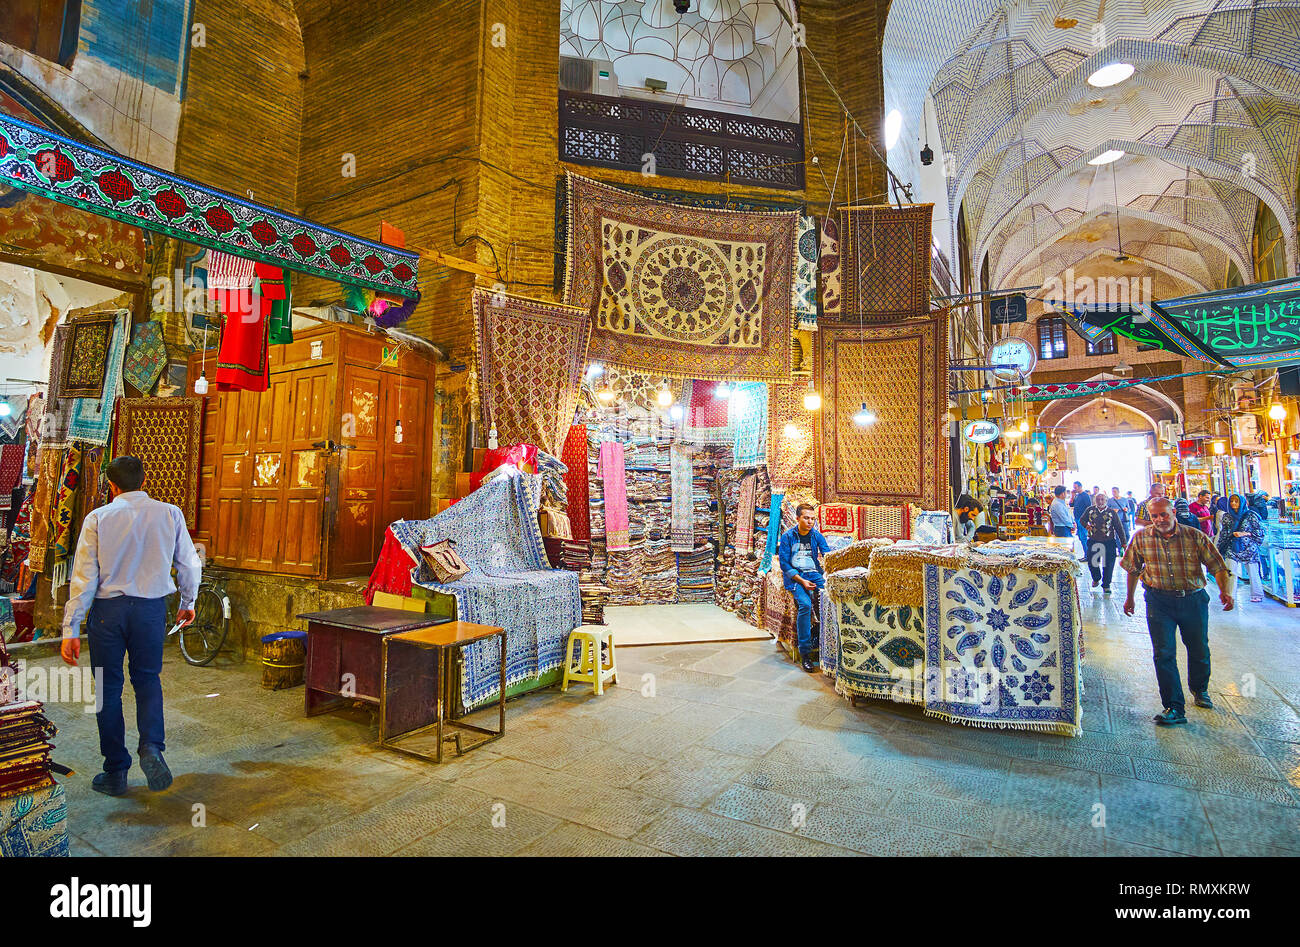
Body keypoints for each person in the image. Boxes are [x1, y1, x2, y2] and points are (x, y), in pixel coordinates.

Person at [60, 456, 202, 796]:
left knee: (107, 690)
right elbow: (188, 563)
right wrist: (188, 602)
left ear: (111, 485)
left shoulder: (98, 518)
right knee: (147, 681)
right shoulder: (170, 513)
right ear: (144, 479)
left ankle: (115, 771)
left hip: (108, 613)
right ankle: (152, 748)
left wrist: (71, 628)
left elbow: (84, 577)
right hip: (151, 611)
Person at [1122, 497, 1233, 726]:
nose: (1160, 520)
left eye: (1163, 514)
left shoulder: (1194, 536)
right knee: (1163, 653)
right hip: (1158, 601)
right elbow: (1133, 569)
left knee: (1198, 647)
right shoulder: (1141, 538)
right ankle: (1174, 706)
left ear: (1172, 512)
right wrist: (1129, 597)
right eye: (1154, 516)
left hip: (1192, 599)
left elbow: (1217, 565)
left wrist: (1225, 591)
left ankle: (1200, 689)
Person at [778, 502, 830, 673]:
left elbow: (828, 555)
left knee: (830, 599)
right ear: (797, 518)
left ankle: (827, 645)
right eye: (806, 518)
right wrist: (802, 581)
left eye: (813, 519)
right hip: (795, 577)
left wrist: (828, 574)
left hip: (814, 573)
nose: (810, 522)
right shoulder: (788, 537)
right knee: (806, 605)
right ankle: (805, 653)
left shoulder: (816, 536)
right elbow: (785, 564)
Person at [1216, 493, 1265, 603]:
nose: (1233, 503)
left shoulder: (1251, 515)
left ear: (1241, 502)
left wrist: (1245, 534)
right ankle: (1230, 595)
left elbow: (1260, 532)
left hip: (1249, 548)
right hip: (1232, 547)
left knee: (1253, 571)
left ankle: (1257, 594)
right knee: (1231, 571)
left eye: (1236, 501)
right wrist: (1219, 548)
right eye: (1231, 501)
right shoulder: (1227, 517)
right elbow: (1224, 533)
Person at [1081, 491, 1128, 594]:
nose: (1100, 501)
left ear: (1106, 501)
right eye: (1098, 499)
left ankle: (1106, 584)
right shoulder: (1090, 510)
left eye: (1102, 499)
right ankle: (1096, 578)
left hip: (1109, 542)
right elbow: (1082, 520)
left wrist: (1123, 542)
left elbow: (1119, 528)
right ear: (1095, 500)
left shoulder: (1111, 512)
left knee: (1108, 564)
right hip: (1094, 541)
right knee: (1092, 562)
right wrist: (1086, 526)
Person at [1071, 481, 1093, 562]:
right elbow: (1071, 505)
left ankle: (1088, 556)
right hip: (1077, 518)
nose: (1074, 489)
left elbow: (1089, 507)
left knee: (1084, 537)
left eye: (1076, 487)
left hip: (1082, 520)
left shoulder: (1085, 496)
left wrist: (1087, 520)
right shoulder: (1077, 496)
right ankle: (1086, 554)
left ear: (1080, 487)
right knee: (1081, 537)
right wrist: (1072, 496)